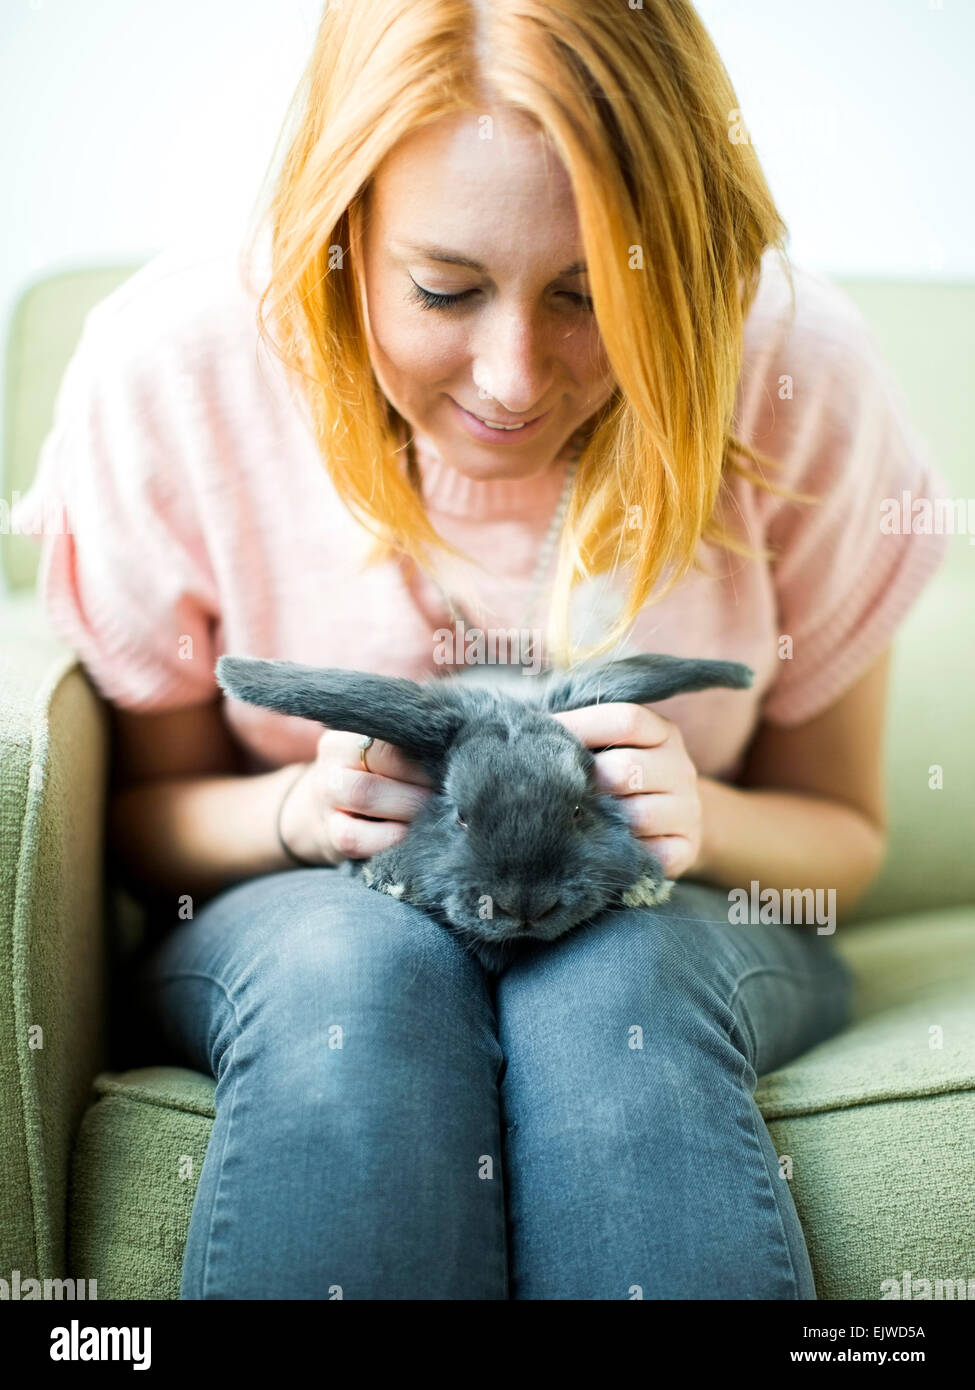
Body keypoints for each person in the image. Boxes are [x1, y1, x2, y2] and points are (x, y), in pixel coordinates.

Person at [14, 0, 950, 1300]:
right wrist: (295, 809)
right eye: (444, 288)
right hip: (305, 911)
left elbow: (836, 836)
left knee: (610, 979)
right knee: (361, 971)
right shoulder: (178, 366)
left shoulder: (794, 371)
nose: (513, 377)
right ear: (343, 229)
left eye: (592, 293)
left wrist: (698, 824)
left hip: (669, 918)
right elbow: (142, 823)